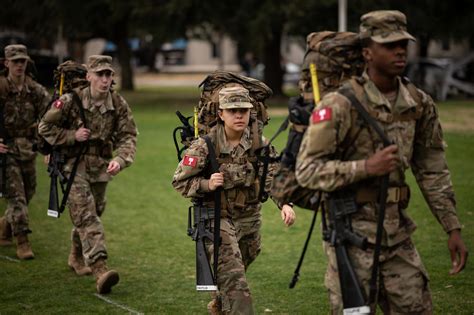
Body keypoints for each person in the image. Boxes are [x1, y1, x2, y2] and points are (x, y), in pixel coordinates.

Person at [295, 10, 468, 314]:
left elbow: (432, 170)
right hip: (351, 237)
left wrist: (451, 227)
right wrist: (365, 167)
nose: (399, 50)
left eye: (403, 43)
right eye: (389, 45)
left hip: (398, 235)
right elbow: (306, 171)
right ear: (367, 52)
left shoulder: (418, 103)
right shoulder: (340, 105)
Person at [172, 86, 296, 314]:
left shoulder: (259, 144)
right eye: (232, 111)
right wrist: (206, 184)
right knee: (236, 280)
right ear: (221, 114)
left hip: (249, 217)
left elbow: (273, 177)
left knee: (244, 260)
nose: (239, 115)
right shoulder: (205, 146)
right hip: (216, 218)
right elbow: (179, 181)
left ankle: (220, 301)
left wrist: (285, 203)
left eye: (243, 110)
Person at [38, 55, 137, 294]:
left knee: (93, 211)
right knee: (87, 216)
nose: (104, 79)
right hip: (73, 166)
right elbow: (45, 127)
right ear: (88, 76)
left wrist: (120, 159)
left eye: (108, 74)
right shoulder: (71, 101)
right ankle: (100, 269)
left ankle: (75, 255)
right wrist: (72, 137)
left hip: (102, 166)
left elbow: (128, 136)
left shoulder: (118, 103)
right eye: (100, 74)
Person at [0, 44, 51, 259]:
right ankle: (22, 241)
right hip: (7, 150)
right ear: (6, 63)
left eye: (23, 61)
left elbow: (50, 117)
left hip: (29, 149)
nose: (20, 65)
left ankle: (5, 225)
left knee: (28, 192)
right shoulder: (1, 88)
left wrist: (48, 148)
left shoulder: (35, 90)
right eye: (15, 61)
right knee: (17, 196)